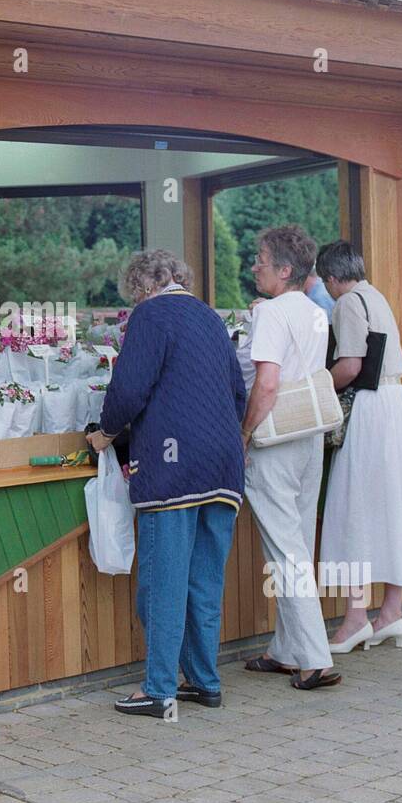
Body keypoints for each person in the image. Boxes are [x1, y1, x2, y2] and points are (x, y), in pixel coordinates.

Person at [87, 249, 247, 717]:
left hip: (171, 467)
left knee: (162, 581)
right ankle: (205, 681)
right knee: (203, 579)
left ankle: (159, 689)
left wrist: (106, 433)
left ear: (142, 287)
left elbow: (130, 388)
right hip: (222, 465)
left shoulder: (150, 315)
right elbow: (237, 392)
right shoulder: (210, 317)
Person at [315, 241, 402, 653]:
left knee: (358, 507)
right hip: (399, 405)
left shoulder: (348, 302)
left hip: (371, 409)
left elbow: (350, 365)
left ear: (333, 278)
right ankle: (390, 613)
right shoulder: (376, 296)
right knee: (396, 507)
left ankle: (354, 618)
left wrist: (313, 387)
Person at [240, 225, 341, 689]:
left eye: (260, 258)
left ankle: (315, 658)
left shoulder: (272, 314)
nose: (254, 265)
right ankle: (287, 649)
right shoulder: (316, 310)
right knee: (298, 540)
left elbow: (267, 383)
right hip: (310, 433)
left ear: (284, 269)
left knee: (286, 551)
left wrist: (243, 433)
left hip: (276, 438)